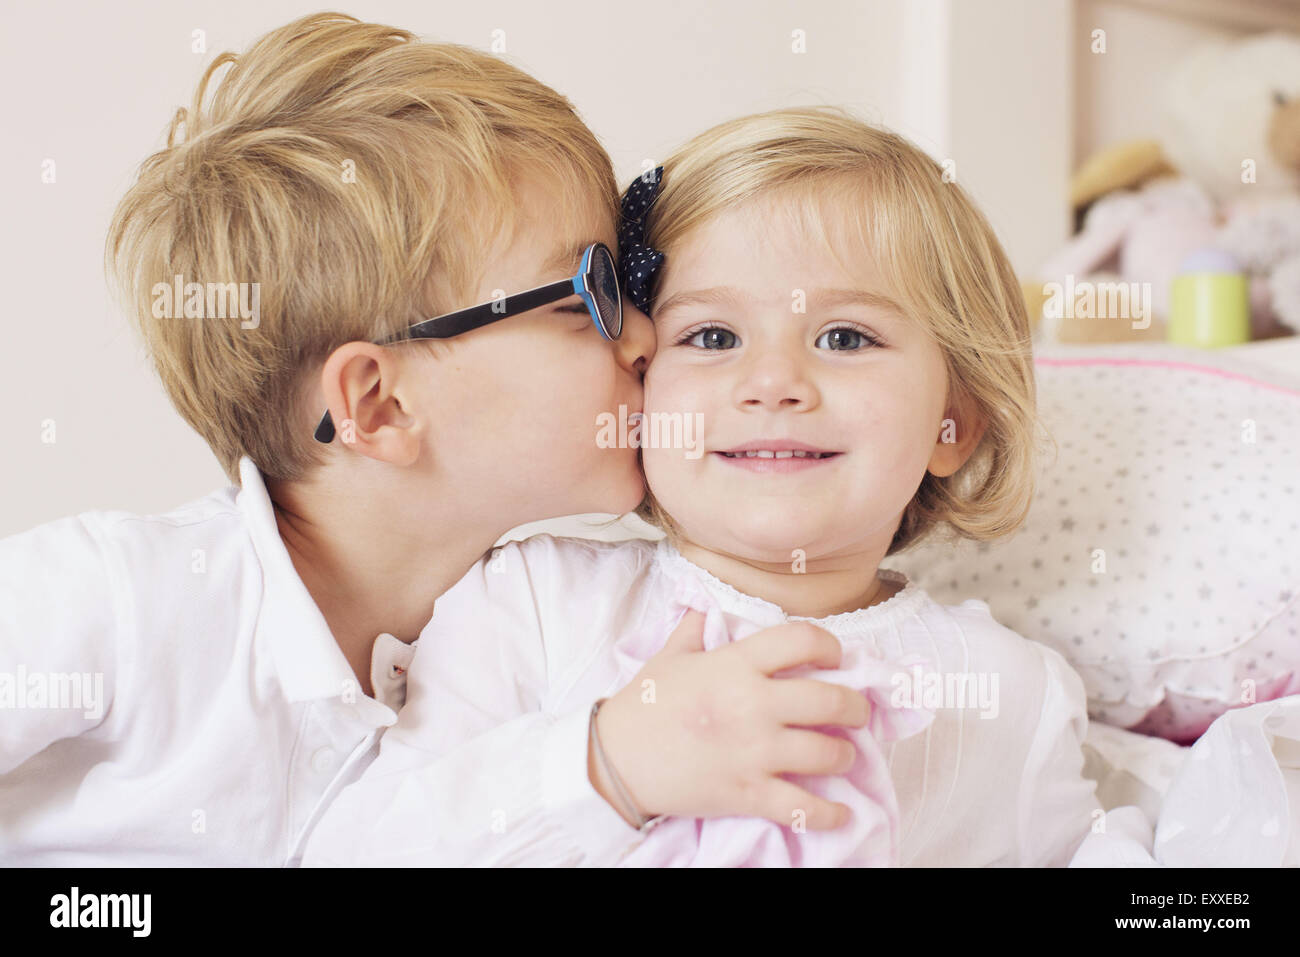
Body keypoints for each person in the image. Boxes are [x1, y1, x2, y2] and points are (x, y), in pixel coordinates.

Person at [0, 19, 869, 866]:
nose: (643, 334)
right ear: (378, 405)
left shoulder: (547, 634)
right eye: (588, 295)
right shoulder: (116, 598)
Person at [302, 108, 1103, 867]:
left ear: (952, 421)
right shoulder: (534, 605)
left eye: (845, 336)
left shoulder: (1011, 692)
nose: (773, 382)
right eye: (712, 336)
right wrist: (607, 764)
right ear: (641, 373)